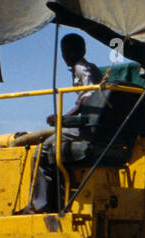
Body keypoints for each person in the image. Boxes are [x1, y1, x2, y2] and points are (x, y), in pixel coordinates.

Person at [24, 33, 105, 213]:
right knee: (55, 152)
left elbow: (87, 100)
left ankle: (39, 206)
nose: (65, 56)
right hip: (95, 125)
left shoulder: (81, 68)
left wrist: (63, 120)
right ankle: (56, 200)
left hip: (88, 128)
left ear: (78, 51)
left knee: (40, 152)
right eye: (64, 52)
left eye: (67, 51)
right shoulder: (90, 68)